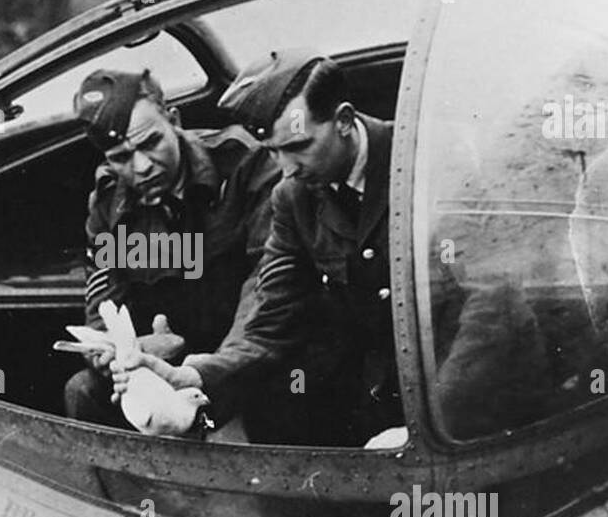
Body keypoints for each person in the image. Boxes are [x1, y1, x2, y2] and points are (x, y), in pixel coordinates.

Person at [112, 49, 403, 446]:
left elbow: (479, 310)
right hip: (365, 389)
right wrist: (198, 377)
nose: (287, 169)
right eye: (274, 152)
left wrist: (426, 427)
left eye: (299, 145)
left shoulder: (417, 162)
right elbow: (271, 318)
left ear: (345, 121)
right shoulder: (293, 197)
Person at [63, 68, 279, 429]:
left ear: (173, 119)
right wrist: (122, 354)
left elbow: (267, 284)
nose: (141, 167)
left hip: (250, 353)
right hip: (167, 360)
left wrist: (205, 369)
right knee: (82, 392)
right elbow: (104, 304)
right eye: (120, 157)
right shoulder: (109, 205)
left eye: (150, 143)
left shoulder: (244, 166)